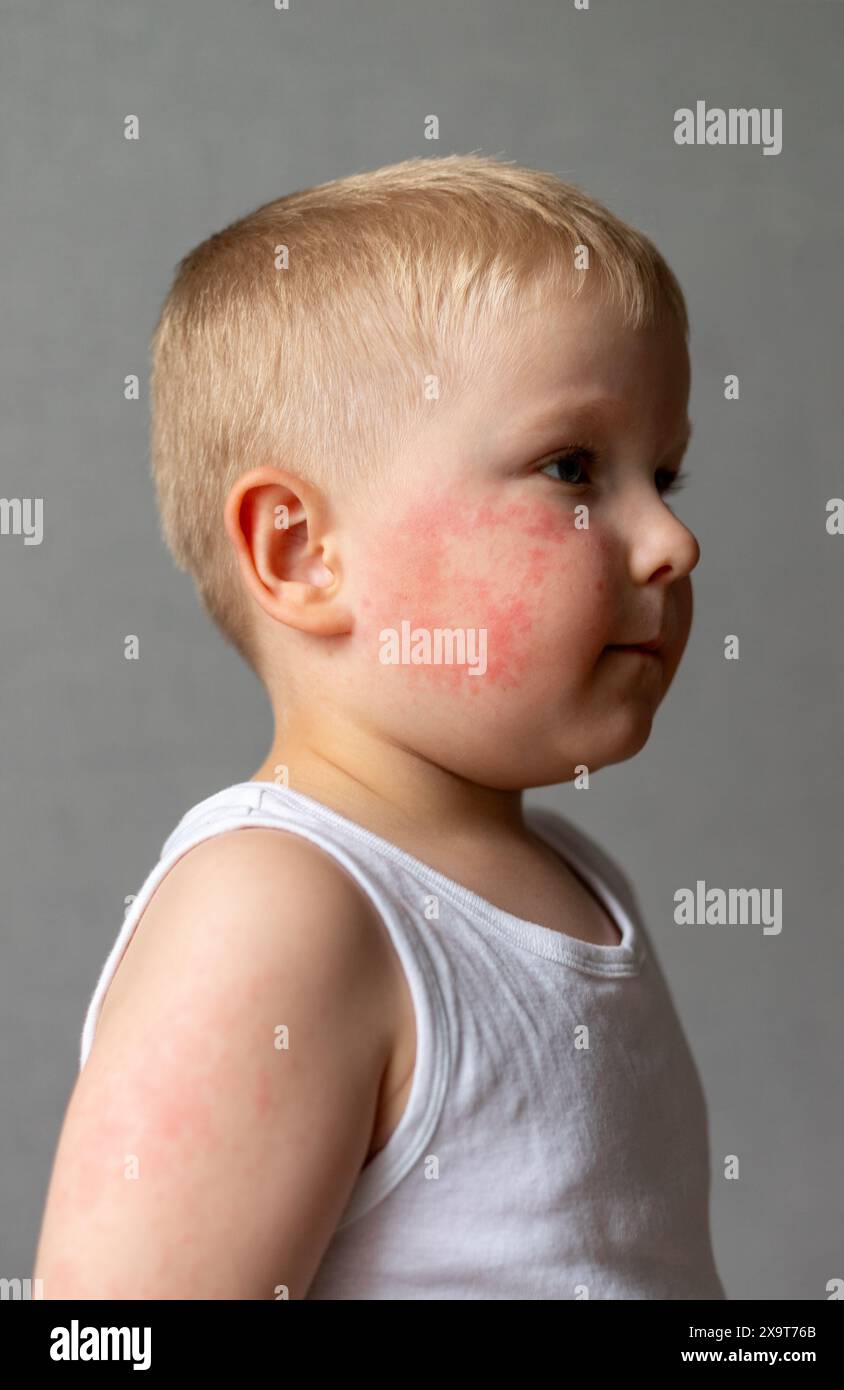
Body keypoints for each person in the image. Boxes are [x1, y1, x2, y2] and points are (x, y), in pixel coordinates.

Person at [34, 153, 725, 1300]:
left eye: (664, 473)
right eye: (572, 467)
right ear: (304, 553)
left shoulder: (577, 875)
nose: (669, 540)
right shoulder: (276, 909)